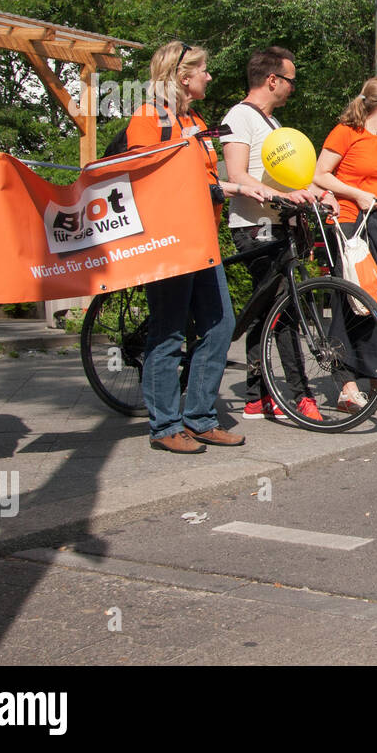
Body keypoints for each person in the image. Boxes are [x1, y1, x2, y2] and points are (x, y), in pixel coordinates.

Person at [126, 41, 261, 454]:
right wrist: (221, 187)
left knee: (220, 325)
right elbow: (140, 177)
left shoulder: (196, 120)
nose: (209, 76)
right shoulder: (149, 118)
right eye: (204, 70)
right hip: (169, 242)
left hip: (202, 240)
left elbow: (206, 177)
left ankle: (199, 418)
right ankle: (165, 426)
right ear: (184, 77)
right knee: (168, 333)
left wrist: (235, 187)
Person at [221, 46, 328, 422]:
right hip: (254, 227)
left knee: (266, 311)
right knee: (284, 310)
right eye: (291, 81)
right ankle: (301, 397)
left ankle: (255, 397)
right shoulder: (239, 117)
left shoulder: (275, 126)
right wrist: (283, 197)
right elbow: (237, 175)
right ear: (272, 80)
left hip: (279, 225)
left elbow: (288, 177)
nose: (293, 89)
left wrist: (316, 194)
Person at [312, 76, 377, 407]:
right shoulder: (345, 132)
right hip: (350, 224)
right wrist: (356, 194)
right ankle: (346, 387)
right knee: (353, 301)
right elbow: (319, 174)